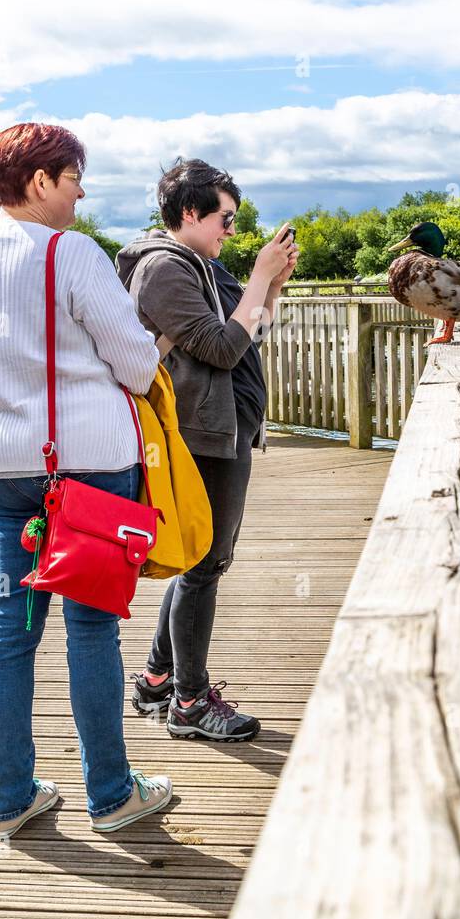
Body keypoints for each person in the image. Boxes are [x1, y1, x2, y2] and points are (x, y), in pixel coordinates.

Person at [0, 122, 173, 838]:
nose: (81, 192)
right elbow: (136, 364)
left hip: (5, 467)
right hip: (87, 469)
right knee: (90, 627)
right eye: (75, 177)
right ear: (41, 181)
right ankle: (110, 794)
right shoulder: (72, 252)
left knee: (11, 628)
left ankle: (10, 798)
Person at [116, 159, 298, 741]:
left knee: (200, 560)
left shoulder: (202, 266)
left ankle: (155, 680)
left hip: (221, 430)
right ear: (189, 212)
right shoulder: (165, 270)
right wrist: (256, 280)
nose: (231, 230)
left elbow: (250, 335)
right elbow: (221, 349)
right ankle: (190, 702)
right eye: (224, 218)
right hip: (199, 435)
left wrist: (270, 284)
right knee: (204, 564)